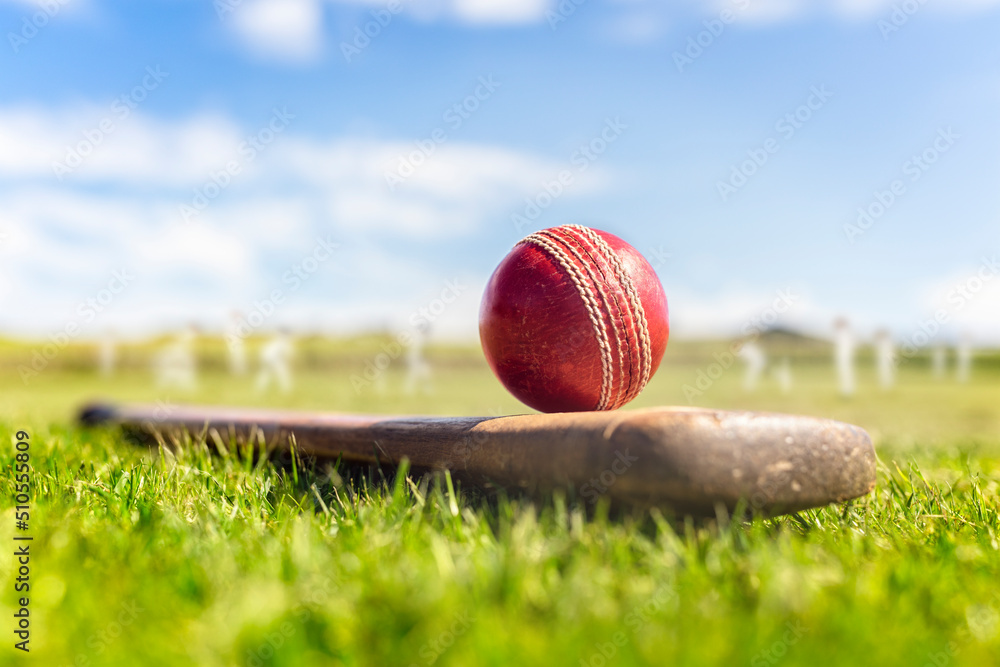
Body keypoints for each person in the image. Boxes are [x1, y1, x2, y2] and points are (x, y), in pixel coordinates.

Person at [403, 322, 433, 395]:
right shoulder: (419, 339)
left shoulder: (419, 338)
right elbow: (416, 352)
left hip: (416, 359)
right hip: (415, 359)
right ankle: (409, 391)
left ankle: (427, 391)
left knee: (423, 375)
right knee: (416, 375)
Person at [833, 318, 855, 397]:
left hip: (845, 357)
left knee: (846, 373)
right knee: (843, 373)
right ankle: (845, 390)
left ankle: (847, 391)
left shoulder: (845, 333)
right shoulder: (841, 333)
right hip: (842, 357)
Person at [226, 311, 248, 377]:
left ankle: (240, 372)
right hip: (234, 344)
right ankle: (236, 373)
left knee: (240, 358)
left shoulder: (240, 325)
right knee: (235, 359)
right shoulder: (232, 325)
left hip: (239, 344)